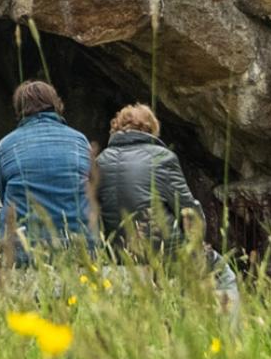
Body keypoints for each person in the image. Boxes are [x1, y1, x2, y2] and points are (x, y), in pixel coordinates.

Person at [95, 104, 239, 310]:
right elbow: (188, 211)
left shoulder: (100, 161)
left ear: (116, 128)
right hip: (166, 252)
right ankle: (228, 337)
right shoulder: (162, 158)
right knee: (224, 274)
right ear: (150, 129)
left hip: (119, 255)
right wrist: (197, 243)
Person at [0, 81, 94, 256]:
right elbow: (92, 189)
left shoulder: (6, 146)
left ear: (19, 110)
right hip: (78, 246)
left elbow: (3, 191)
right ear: (56, 105)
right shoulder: (80, 141)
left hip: (22, 249)